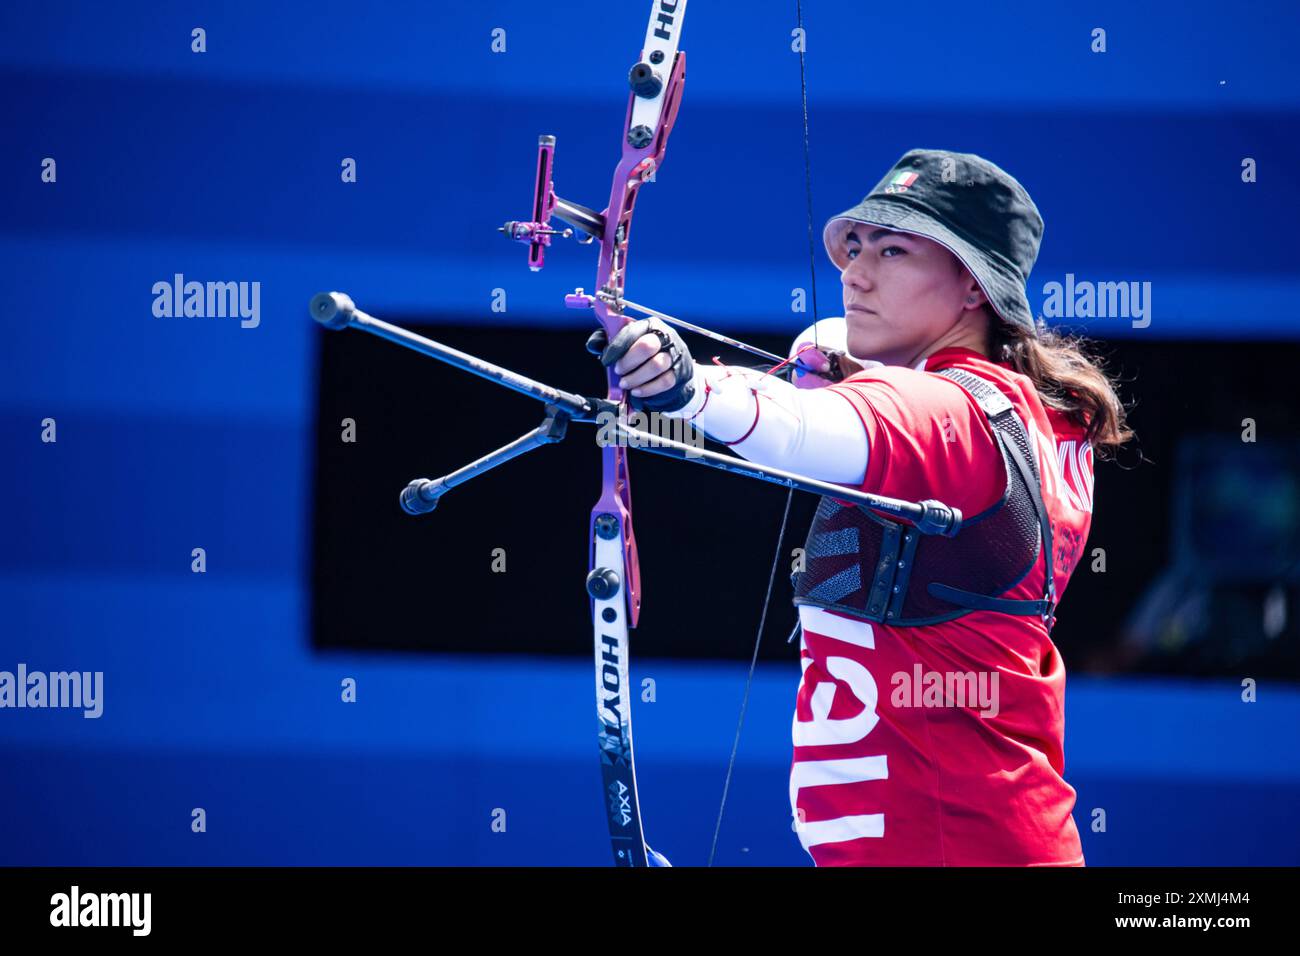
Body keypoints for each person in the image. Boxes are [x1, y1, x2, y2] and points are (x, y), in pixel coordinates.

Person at [598, 148, 1134, 866]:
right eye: (855, 247)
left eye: (893, 250)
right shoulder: (1020, 410)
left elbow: (805, 430)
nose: (855, 271)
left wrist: (691, 389)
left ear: (972, 286)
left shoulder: (948, 415)